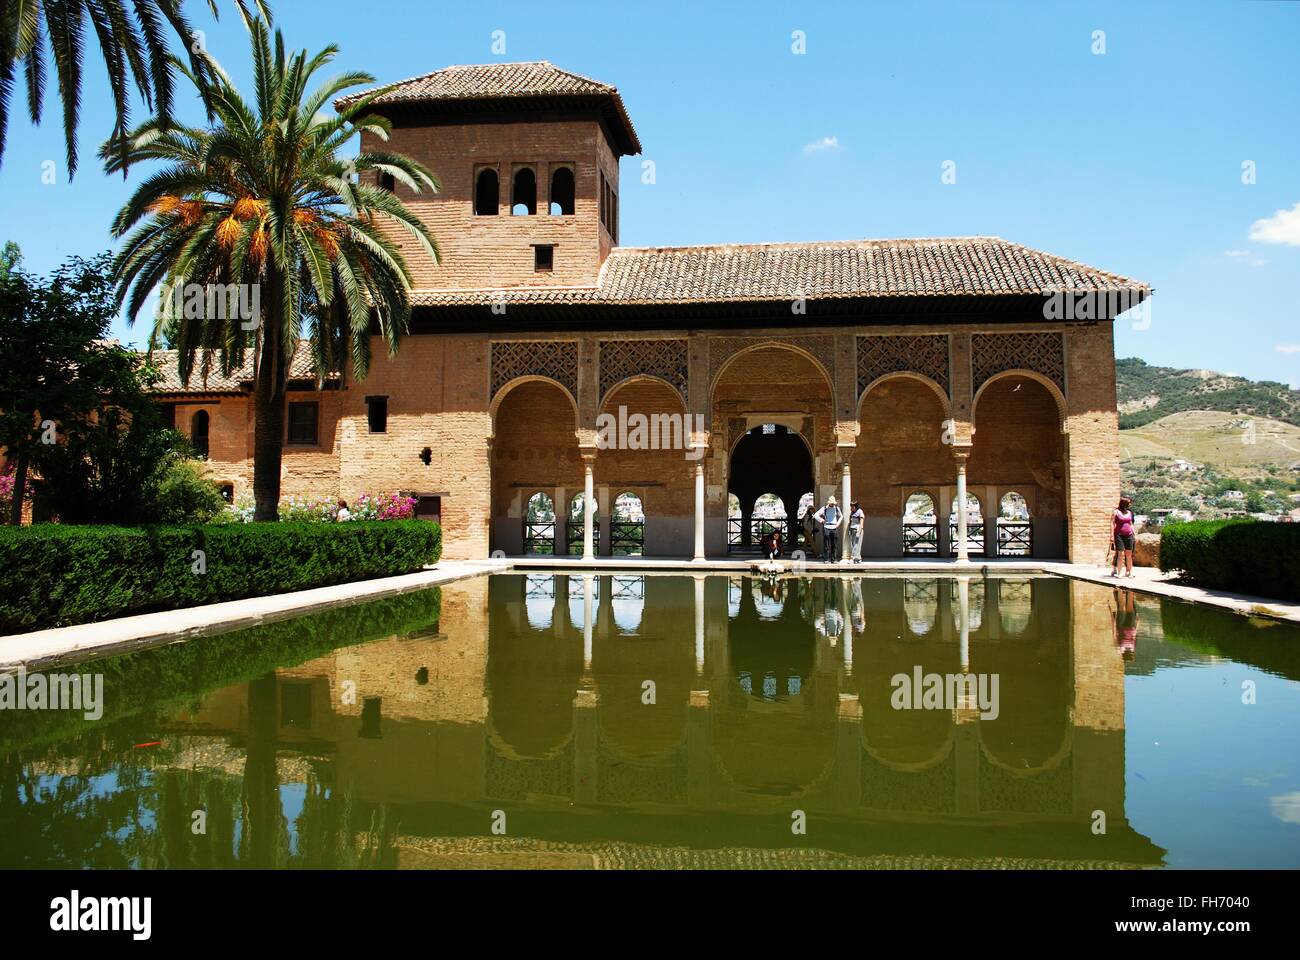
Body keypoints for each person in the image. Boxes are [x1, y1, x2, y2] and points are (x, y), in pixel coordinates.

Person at [812, 496, 843, 562]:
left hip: (834, 527)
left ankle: (833, 559)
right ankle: (826, 559)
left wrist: (838, 523)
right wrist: (821, 520)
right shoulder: (824, 508)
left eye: (833, 503)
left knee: (834, 545)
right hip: (826, 527)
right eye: (831, 503)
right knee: (826, 544)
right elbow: (815, 515)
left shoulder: (837, 508)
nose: (832, 504)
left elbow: (841, 516)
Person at [1111, 496, 1135, 577]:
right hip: (1119, 535)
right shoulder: (1116, 512)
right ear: (1124, 503)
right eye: (1128, 503)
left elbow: (1130, 523)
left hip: (1129, 535)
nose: (1130, 504)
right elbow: (1112, 523)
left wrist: (1134, 533)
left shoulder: (1129, 512)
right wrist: (1111, 535)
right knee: (1120, 554)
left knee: (1129, 554)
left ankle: (1129, 572)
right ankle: (1119, 572)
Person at [1113, 587, 1138, 660]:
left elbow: (1135, 636)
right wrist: (1114, 621)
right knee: (1121, 606)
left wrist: (1137, 623)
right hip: (1121, 627)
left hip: (1131, 628)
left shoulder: (1132, 649)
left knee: (1129, 605)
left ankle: (1130, 589)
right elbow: (1115, 635)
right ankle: (1120, 589)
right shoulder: (1120, 648)